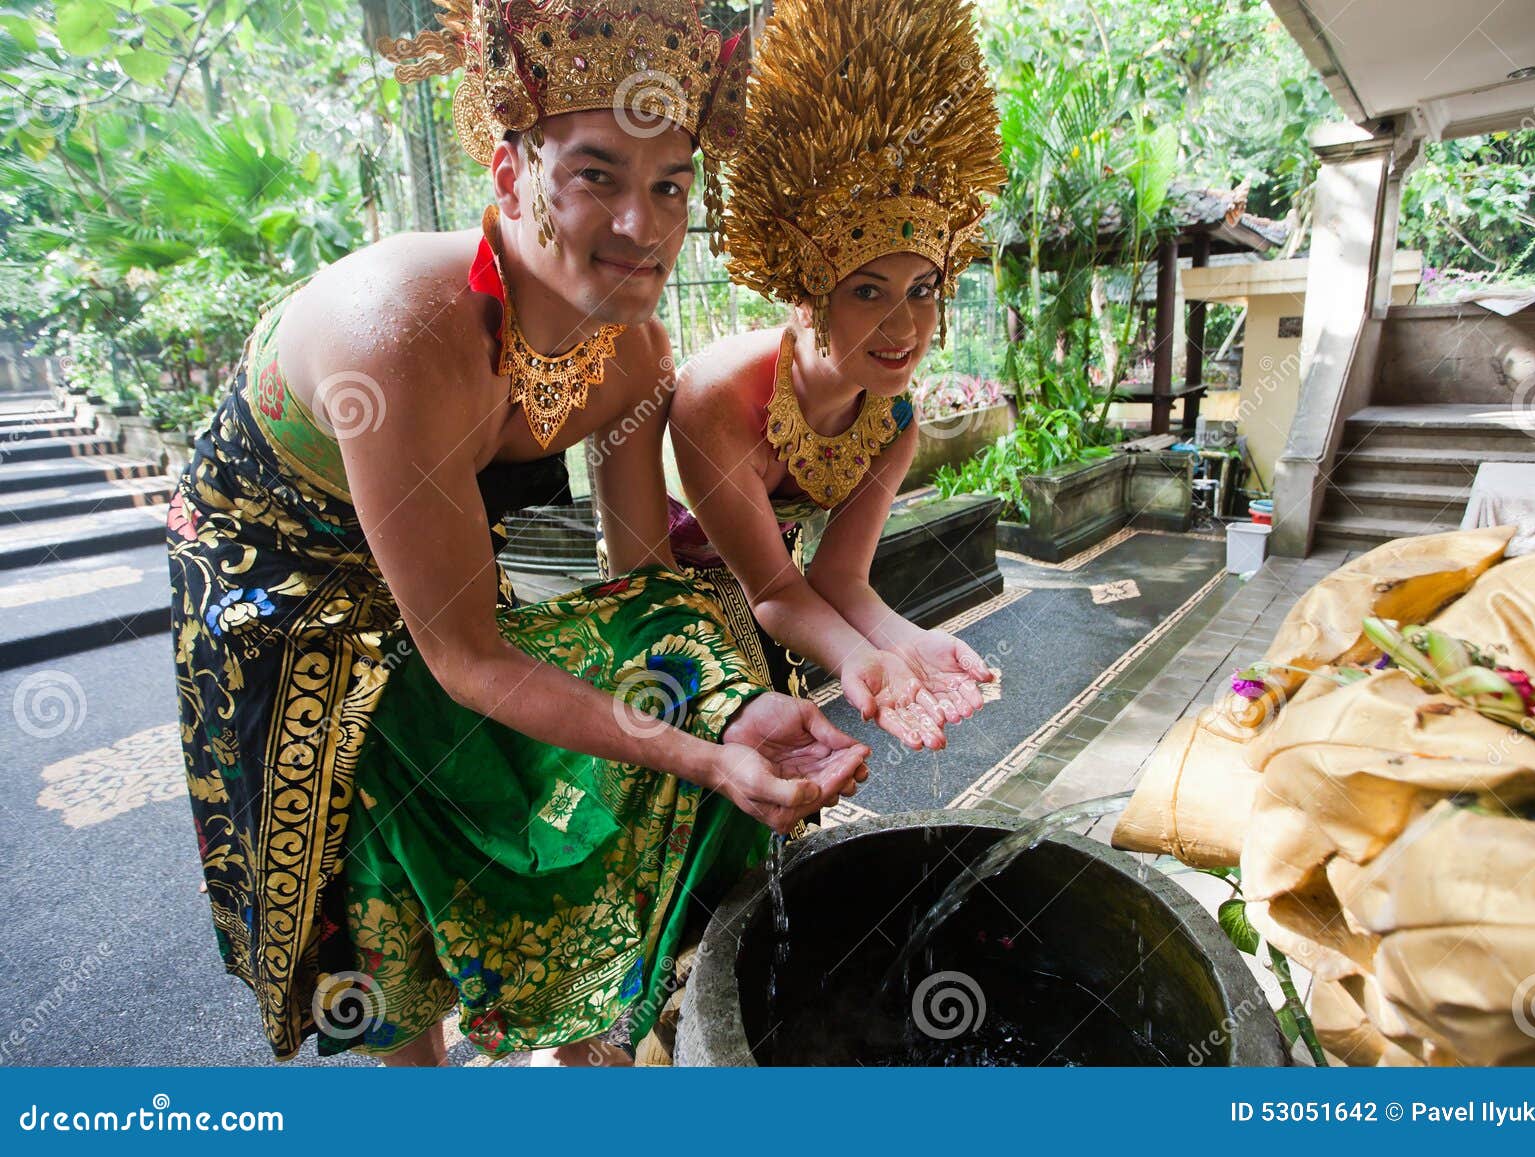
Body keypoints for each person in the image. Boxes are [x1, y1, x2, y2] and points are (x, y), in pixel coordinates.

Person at [169, 0, 867, 1068]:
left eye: (670, 185)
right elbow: (469, 656)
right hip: (289, 582)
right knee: (377, 840)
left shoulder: (632, 353)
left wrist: (729, 706)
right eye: (597, 176)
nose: (643, 224)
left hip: (444, 570)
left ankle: (594, 1014)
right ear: (510, 179)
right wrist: (702, 753)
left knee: (688, 633)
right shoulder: (395, 335)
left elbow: (640, 593)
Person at [667, 0, 1007, 754]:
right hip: (658, 620)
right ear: (801, 291)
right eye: (867, 291)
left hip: (775, 617)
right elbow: (775, 587)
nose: (906, 328)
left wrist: (908, 642)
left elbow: (838, 579)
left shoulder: (894, 423)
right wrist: (856, 654)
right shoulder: (717, 397)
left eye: (922, 289)